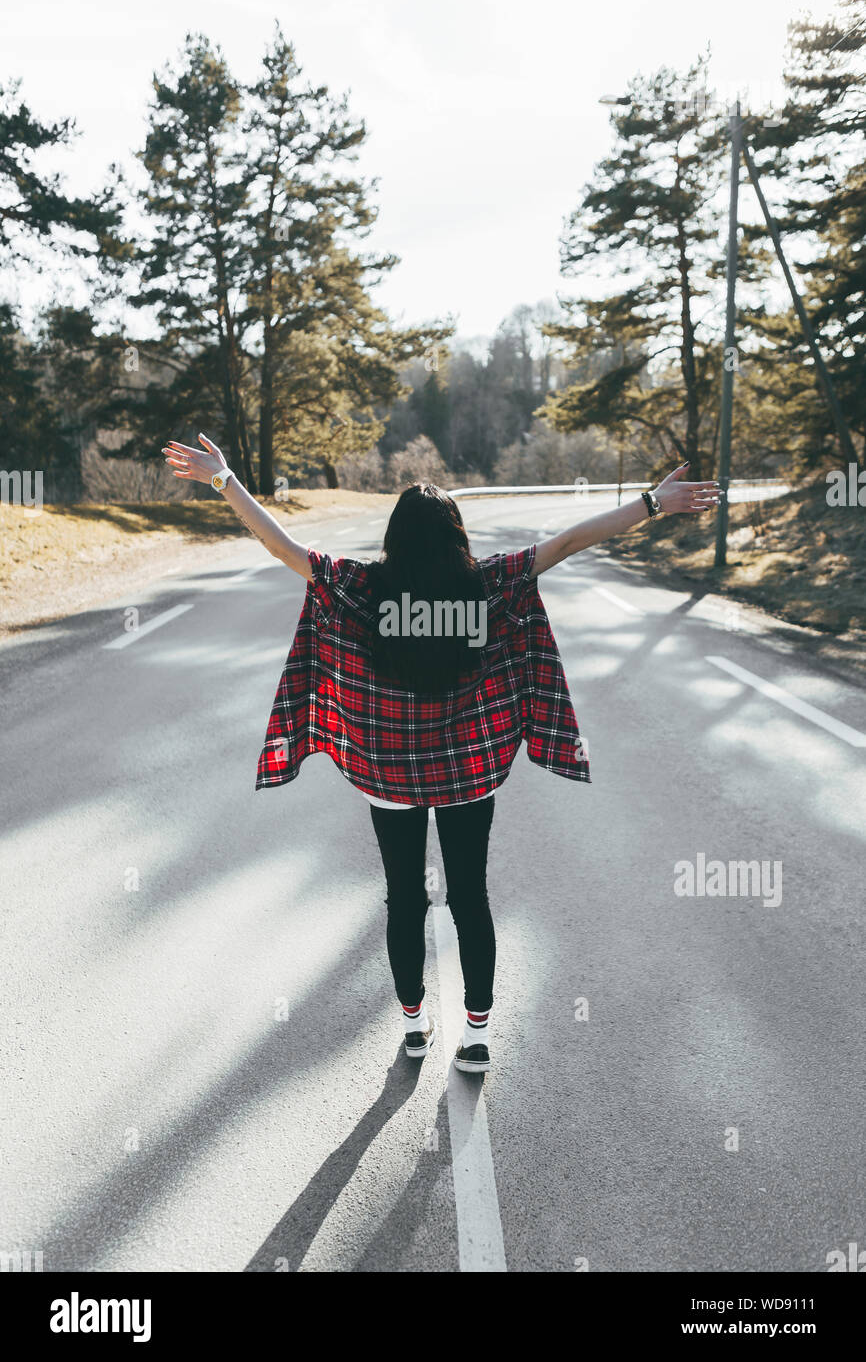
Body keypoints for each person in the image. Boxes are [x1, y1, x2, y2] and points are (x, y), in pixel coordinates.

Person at [163, 434, 719, 1074]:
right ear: (456, 534)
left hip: (388, 777)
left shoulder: (362, 587)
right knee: (470, 897)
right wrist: (652, 502)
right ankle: (477, 1036)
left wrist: (225, 479)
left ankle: (416, 1027)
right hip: (468, 774)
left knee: (403, 897)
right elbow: (569, 542)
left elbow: (284, 547)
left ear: (395, 538)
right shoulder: (485, 584)